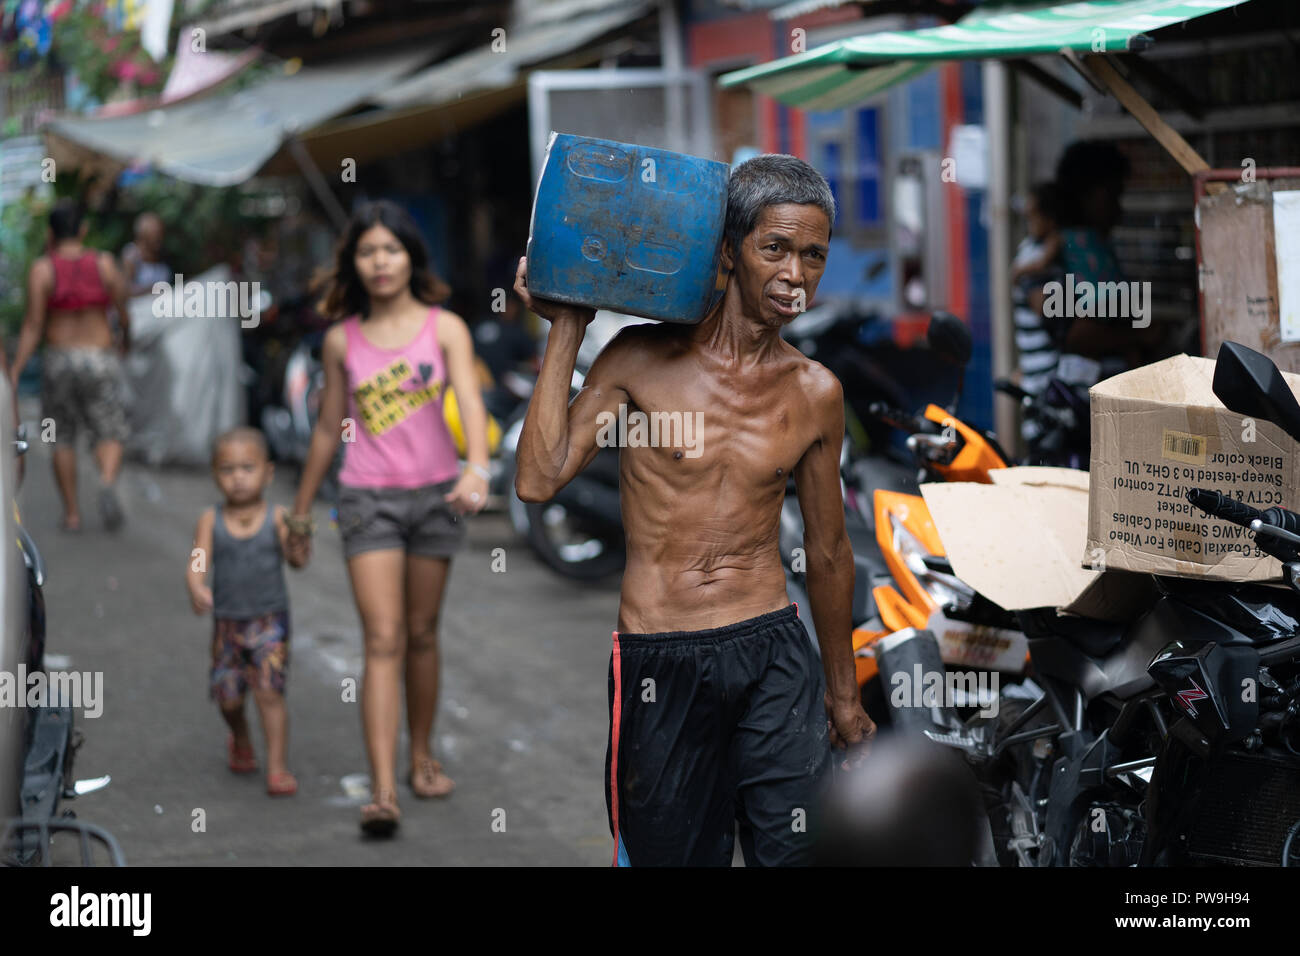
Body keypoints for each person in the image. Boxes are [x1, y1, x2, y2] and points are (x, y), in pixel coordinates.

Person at [513, 154, 875, 867]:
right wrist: (567, 324)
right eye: (774, 248)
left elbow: (830, 552)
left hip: (771, 646)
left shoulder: (814, 392)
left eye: (813, 256)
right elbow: (537, 478)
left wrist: (842, 695)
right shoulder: (639, 359)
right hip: (661, 657)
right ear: (728, 252)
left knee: (798, 854)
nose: (795, 275)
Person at [287, 200, 490, 835]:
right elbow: (326, 430)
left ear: (410, 257)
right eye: (368, 251)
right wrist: (298, 512)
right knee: (382, 638)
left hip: (437, 497)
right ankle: (381, 790)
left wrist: (477, 467)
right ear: (355, 263)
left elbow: (470, 403)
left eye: (391, 249)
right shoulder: (340, 340)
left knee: (423, 633)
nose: (380, 261)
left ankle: (421, 755)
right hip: (366, 499)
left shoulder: (446, 328)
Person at [187, 427, 307, 796]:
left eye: (247, 468)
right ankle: (239, 736)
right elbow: (198, 558)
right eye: (228, 469)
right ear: (215, 474)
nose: (238, 477)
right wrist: (195, 584)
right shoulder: (211, 519)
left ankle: (276, 766)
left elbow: (297, 560)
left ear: (268, 473)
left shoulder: (278, 517)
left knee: (269, 693)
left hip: (270, 621)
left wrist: (301, 538)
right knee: (229, 697)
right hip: (227, 624)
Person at [10, 199, 131, 532]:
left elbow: (33, 325)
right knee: (110, 429)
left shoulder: (42, 269)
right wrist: (125, 340)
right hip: (99, 355)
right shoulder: (104, 264)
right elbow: (123, 310)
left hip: (59, 359)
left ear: (51, 232)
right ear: (83, 229)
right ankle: (106, 481)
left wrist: (16, 370)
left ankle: (73, 514)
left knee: (60, 434)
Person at [1038, 141, 1162, 386]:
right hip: (1079, 405)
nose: (1119, 209)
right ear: (1086, 195)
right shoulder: (1065, 250)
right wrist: (1140, 335)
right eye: (1112, 195)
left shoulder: (1087, 248)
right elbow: (1077, 336)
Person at [1011, 182, 1063, 445]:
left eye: (1034, 214)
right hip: (1040, 383)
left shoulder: (1050, 251)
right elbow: (1044, 306)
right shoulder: (1034, 252)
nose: (1030, 220)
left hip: (1049, 378)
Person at [119, 211, 172, 297]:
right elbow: (125, 290)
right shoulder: (132, 254)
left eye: (160, 233)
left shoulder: (162, 254)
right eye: (154, 234)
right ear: (142, 236)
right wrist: (153, 289)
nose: (159, 238)